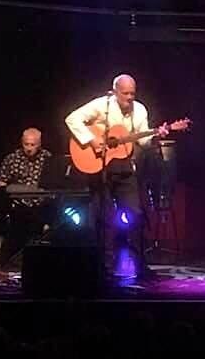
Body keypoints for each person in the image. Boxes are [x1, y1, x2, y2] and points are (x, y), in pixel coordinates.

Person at [65, 74, 170, 275]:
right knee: (104, 216)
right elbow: (72, 118)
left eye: (132, 93)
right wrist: (91, 140)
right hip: (100, 167)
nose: (129, 97)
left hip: (124, 166)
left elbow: (142, 141)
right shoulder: (101, 105)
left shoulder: (139, 109)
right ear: (114, 92)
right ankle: (104, 264)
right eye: (125, 93)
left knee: (136, 213)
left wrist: (156, 136)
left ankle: (140, 264)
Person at [0, 127, 52, 261]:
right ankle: (6, 263)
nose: (29, 148)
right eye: (26, 144)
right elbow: (2, 182)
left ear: (39, 144)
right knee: (15, 234)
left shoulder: (47, 158)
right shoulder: (12, 159)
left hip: (41, 206)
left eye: (33, 145)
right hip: (19, 207)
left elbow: (54, 183)